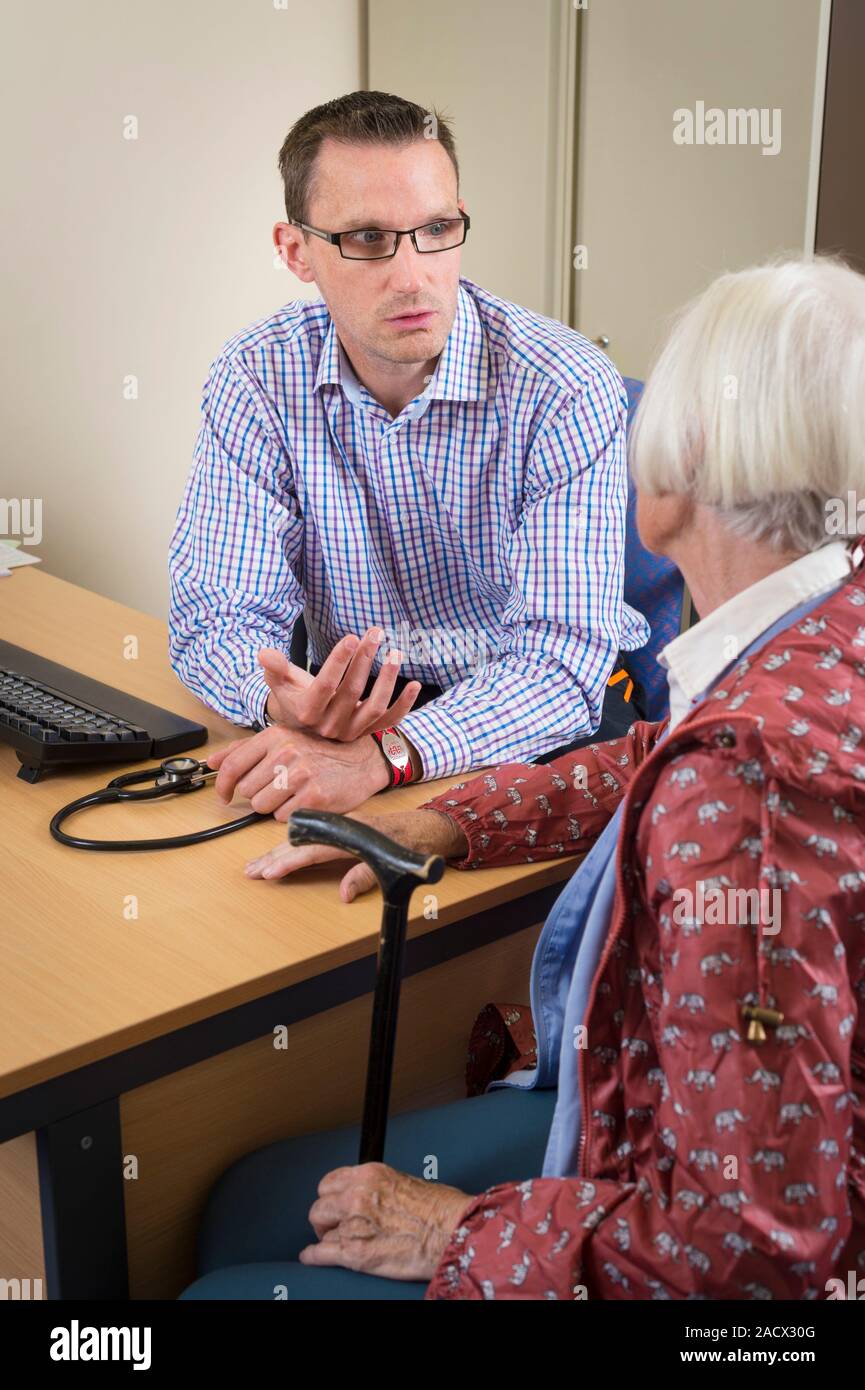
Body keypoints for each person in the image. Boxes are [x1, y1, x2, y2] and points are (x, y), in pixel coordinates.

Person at [180, 255, 865, 1302]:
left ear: (665, 488)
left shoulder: (744, 791)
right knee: (242, 1204)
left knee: (222, 1291)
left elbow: (753, 1254)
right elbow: (659, 754)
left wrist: (458, 1231)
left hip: (717, 1265)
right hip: (687, 1155)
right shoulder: (818, 638)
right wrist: (451, 822)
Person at [168, 90, 648, 823]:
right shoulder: (257, 376)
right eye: (366, 238)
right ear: (296, 252)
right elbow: (215, 612)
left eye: (436, 229)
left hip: (531, 719)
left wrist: (388, 757)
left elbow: (559, 667)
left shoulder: (562, 386)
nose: (412, 274)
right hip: (347, 718)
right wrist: (277, 697)